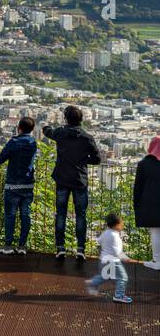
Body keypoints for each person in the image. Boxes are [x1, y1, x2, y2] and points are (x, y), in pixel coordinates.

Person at [42, 106, 102, 261]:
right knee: (80, 215)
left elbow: (47, 131)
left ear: (66, 119)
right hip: (79, 180)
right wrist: (83, 160)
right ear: (81, 119)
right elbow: (97, 159)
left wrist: (49, 125)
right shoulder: (87, 137)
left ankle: (60, 248)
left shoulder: (60, 133)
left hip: (62, 179)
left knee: (60, 214)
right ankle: (80, 249)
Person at [0, 118, 38, 255]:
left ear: (19, 127)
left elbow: (0, 159)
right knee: (26, 215)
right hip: (28, 184)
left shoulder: (14, 142)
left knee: (10, 215)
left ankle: (8, 245)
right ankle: (22, 246)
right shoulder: (33, 143)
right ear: (32, 129)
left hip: (13, 184)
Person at [84, 213, 131, 303]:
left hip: (103, 260)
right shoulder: (115, 236)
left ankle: (92, 283)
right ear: (117, 225)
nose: (123, 225)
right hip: (113, 262)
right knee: (123, 278)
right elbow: (117, 252)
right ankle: (119, 296)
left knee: (104, 276)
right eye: (122, 223)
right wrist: (125, 258)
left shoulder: (106, 232)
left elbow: (99, 241)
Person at [131, 136, 160, 270]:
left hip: (150, 203)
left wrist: (136, 203)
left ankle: (157, 260)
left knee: (155, 232)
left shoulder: (144, 163)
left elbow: (138, 186)